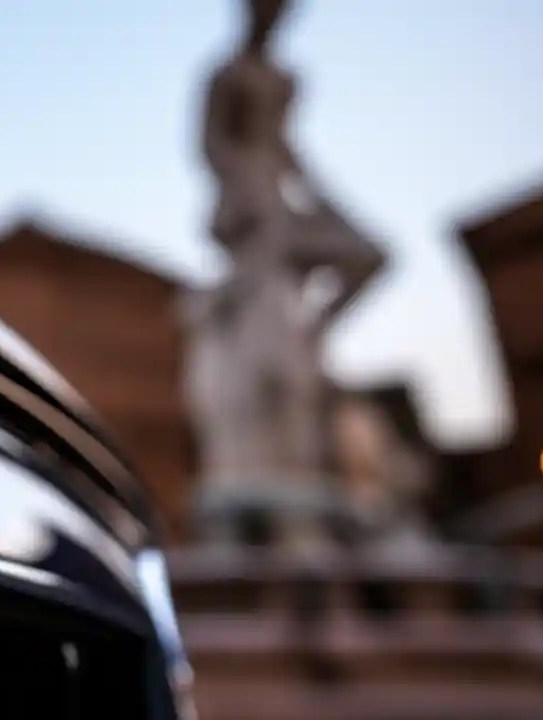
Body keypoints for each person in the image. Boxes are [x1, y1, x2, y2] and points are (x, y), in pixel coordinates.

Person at [186, 0, 385, 551]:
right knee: (262, 382)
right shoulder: (224, 74)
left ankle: (315, 329)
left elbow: (291, 149)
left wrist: (327, 204)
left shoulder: (287, 78)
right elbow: (210, 143)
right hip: (247, 208)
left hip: (283, 203)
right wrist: (241, 192)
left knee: (372, 254)